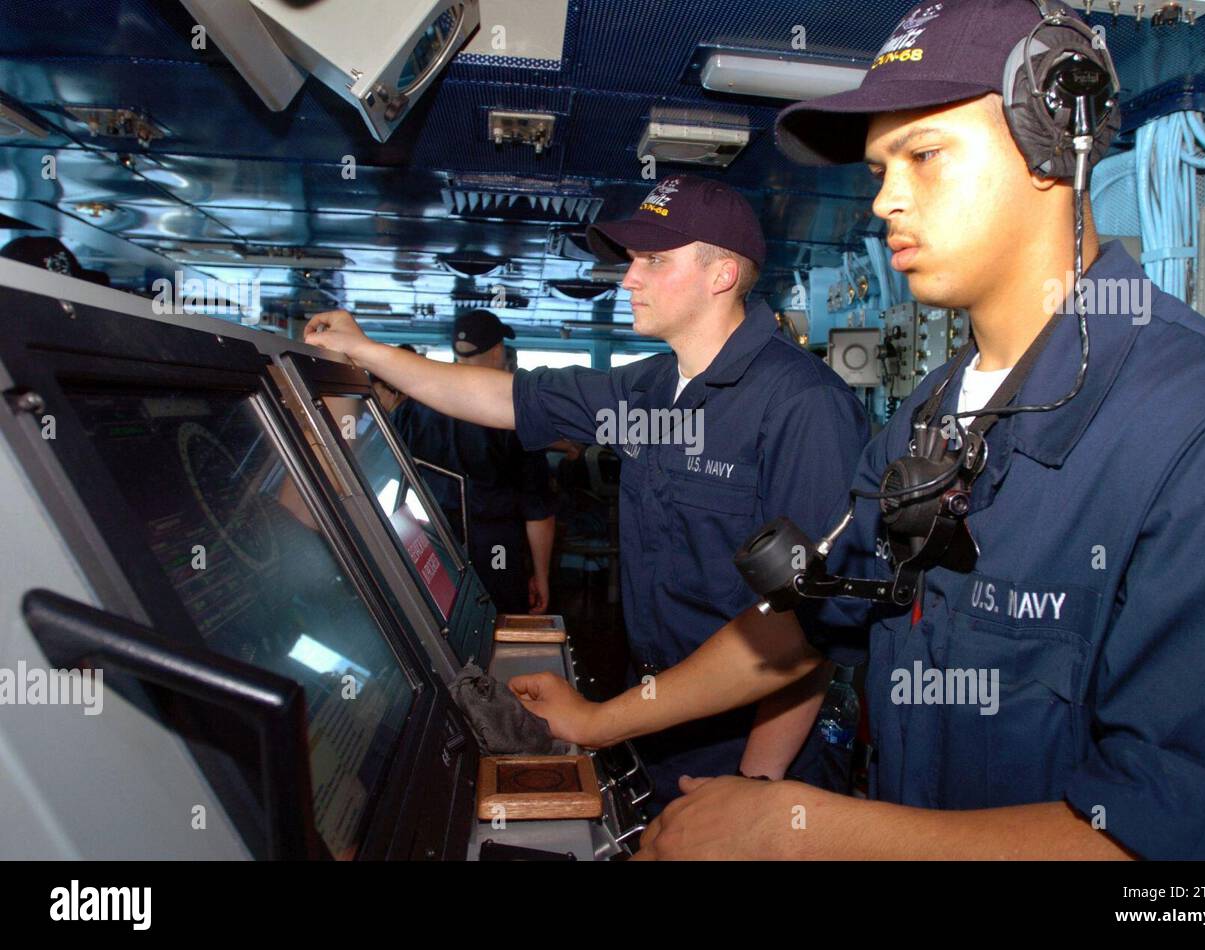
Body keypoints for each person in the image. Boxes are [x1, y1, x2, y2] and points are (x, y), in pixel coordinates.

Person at [502, 0, 1205, 859]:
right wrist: (599, 718)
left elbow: (1192, 852)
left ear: (1053, 143)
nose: (884, 197)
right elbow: (803, 622)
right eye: (882, 165)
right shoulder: (931, 416)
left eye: (923, 155)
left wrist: (802, 829)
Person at [304, 174, 869, 813]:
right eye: (631, 261)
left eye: (654, 261)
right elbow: (499, 398)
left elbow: (809, 634)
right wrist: (363, 350)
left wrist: (754, 786)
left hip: (745, 752)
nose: (629, 279)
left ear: (722, 275)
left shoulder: (805, 407)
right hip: (656, 720)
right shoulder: (647, 389)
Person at [371, 322, 557, 615]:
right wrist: (542, 576)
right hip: (496, 549)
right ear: (497, 351)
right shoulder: (513, 415)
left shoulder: (410, 409)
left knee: (441, 625)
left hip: (430, 541)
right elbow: (537, 512)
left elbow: (384, 478)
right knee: (499, 624)